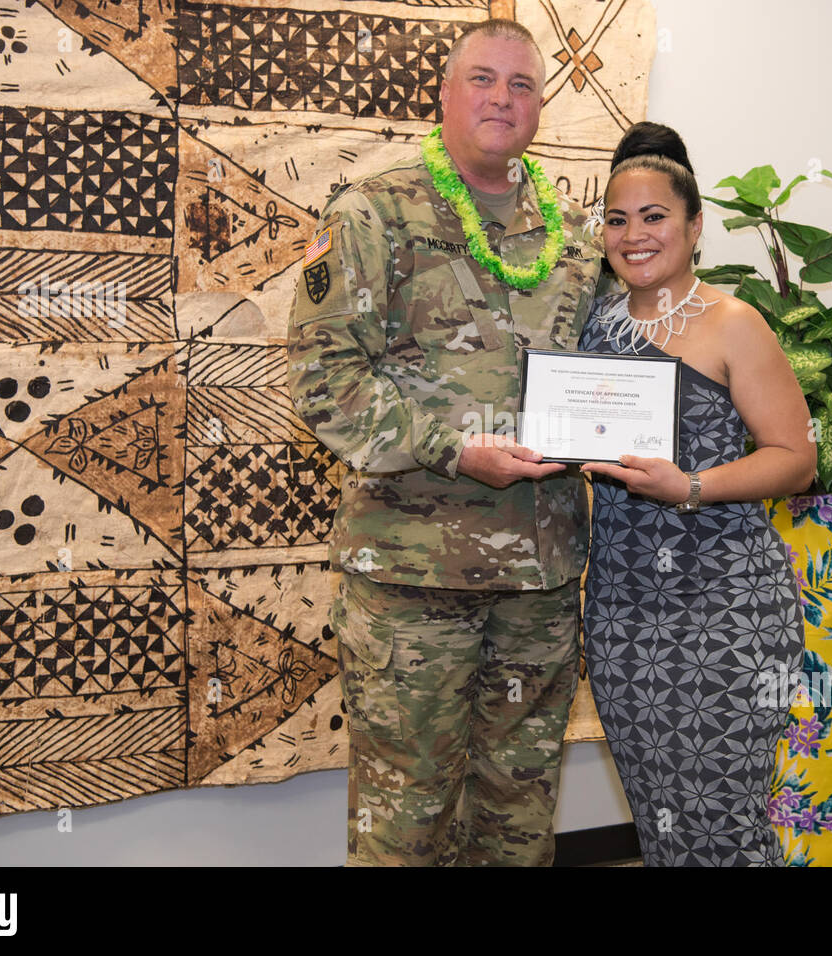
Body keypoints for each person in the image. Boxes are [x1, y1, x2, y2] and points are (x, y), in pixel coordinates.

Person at [286, 18, 601, 866]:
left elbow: (607, 375)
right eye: (483, 80)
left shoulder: (576, 237)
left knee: (521, 811)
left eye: (523, 84)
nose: (503, 98)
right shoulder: (370, 214)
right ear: (445, 92)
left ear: (541, 104)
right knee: (408, 815)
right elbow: (324, 384)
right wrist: (454, 449)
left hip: (540, 576)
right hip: (412, 577)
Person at [578, 124, 816, 866]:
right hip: (622, 615)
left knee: (725, 827)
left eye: (654, 217)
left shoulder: (733, 323)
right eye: (618, 219)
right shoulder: (592, 331)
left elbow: (796, 459)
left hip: (724, 612)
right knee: (661, 824)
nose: (634, 234)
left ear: (694, 225)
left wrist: (690, 486)